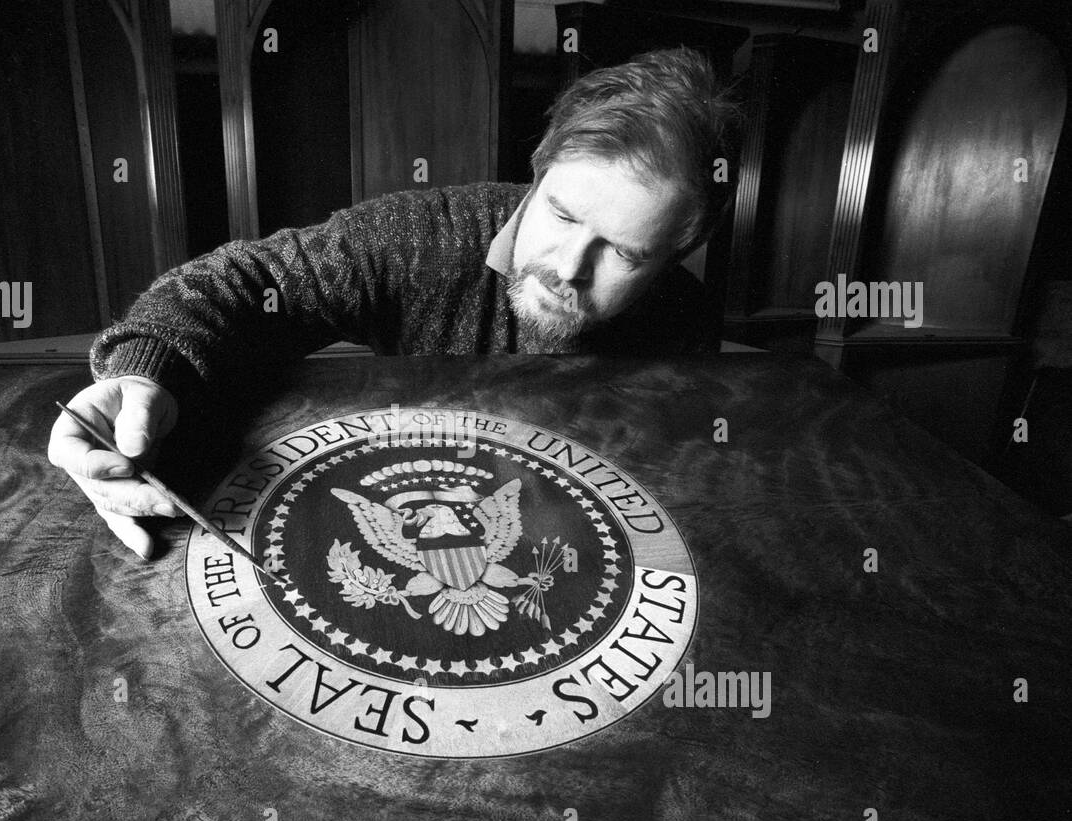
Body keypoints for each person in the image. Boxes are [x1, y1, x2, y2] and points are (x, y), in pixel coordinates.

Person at [48, 46, 738, 558]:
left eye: (623, 253)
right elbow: (244, 280)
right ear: (539, 172)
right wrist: (142, 372)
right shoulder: (422, 240)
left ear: (676, 253)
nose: (568, 268)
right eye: (560, 214)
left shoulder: (686, 321)